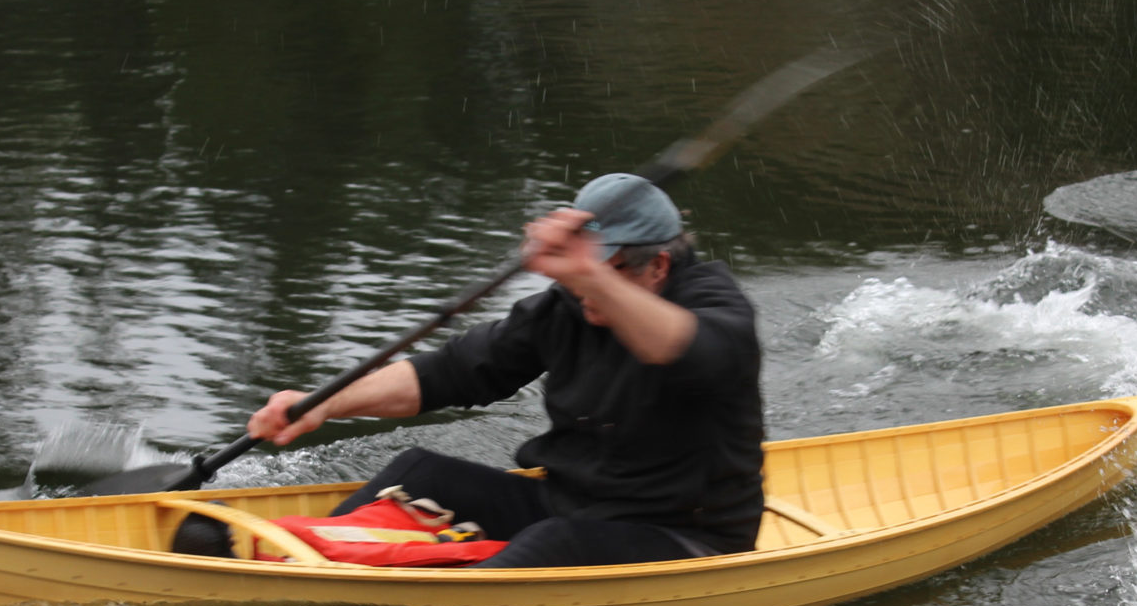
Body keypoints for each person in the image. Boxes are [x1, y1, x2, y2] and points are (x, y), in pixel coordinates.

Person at [244, 173, 765, 569]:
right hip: (570, 506)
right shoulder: (568, 305)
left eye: (609, 273)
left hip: (686, 537)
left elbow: (686, 350)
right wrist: (323, 404)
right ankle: (297, 558)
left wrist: (586, 271)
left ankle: (356, 598)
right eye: (583, 275)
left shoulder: (715, 307)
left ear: (660, 266)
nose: (586, 291)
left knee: (551, 545)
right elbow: (447, 372)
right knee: (418, 471)